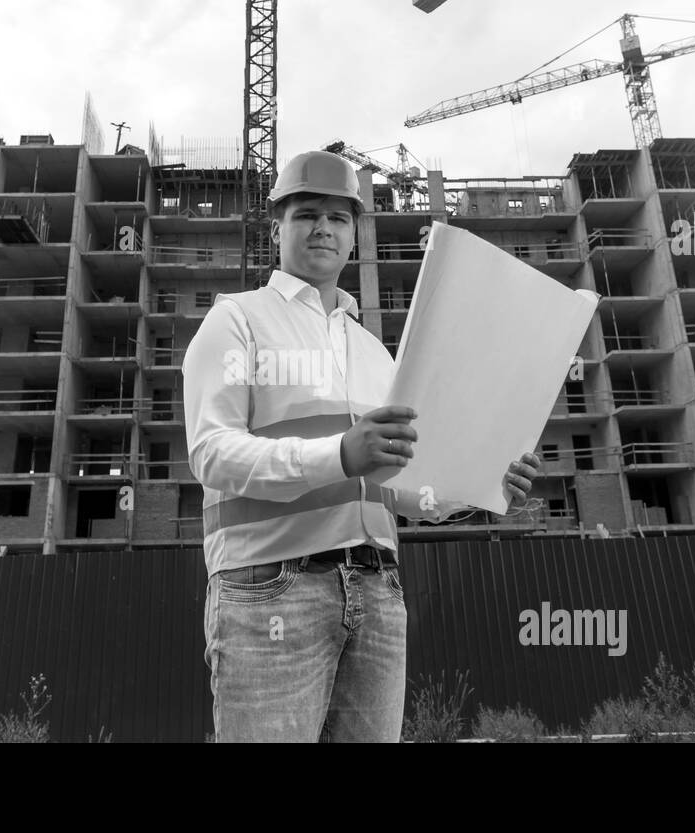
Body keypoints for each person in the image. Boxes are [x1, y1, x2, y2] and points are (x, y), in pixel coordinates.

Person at [183, 150, 541, 742]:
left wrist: (481, 483)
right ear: (278, 227)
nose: (323, 227)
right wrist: (339, 455)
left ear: (354, 233)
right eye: (306, 214)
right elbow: (212, 452)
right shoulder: (237, 322)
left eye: (338, 217)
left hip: (377, 591)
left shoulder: (375, 355)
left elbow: (401, 489)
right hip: (271, 589)